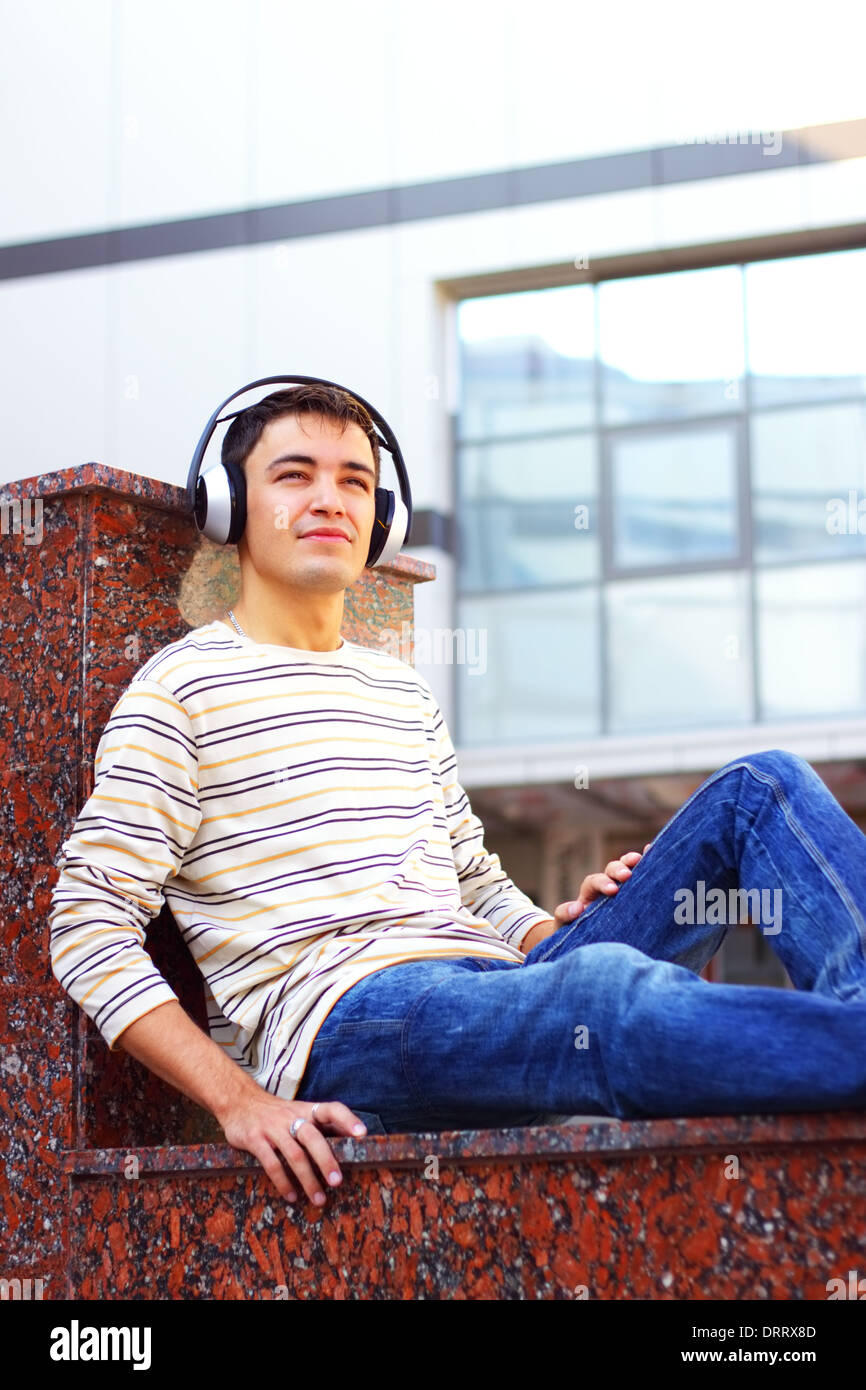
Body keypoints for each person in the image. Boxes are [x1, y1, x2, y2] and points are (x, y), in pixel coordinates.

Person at [49, 385, 866, 1215]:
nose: (329, 498)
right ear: (230, 505)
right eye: (294, 475)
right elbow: (86, 924)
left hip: (490, 987)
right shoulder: (182, 690)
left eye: (355, 481)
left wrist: (559, 930)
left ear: (384, 517)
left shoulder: (399, 691)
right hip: (354, 1024)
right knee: (602, 996)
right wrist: (237, 1099)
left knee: (760, 789)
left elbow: (474, 881)